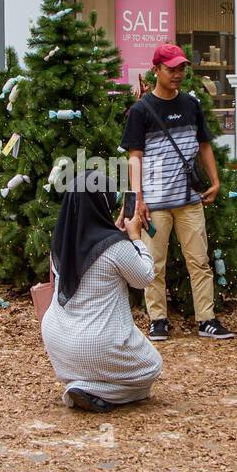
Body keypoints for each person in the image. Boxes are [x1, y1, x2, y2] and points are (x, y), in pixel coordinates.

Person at [122, 43, 233, 342]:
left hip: (189, 200)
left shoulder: (191, 105)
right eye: (171, 68)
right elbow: (135, 157)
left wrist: (216, 180)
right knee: (153, 264)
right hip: (155, 203)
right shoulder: (141, 111)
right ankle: (158, 319)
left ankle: (206, 319)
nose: (178, 74)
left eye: (182, 68)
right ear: (156, 69)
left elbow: (204, 145)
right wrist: (139, 199)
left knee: (199, 260)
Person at [41, 171, 161, 412]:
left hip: (58, 340)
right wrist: (135, 238)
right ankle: (97, 390)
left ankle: (80, 384)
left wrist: (116, 233)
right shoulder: (117, 247)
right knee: (151, 369)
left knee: (93, 365)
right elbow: (144, 277)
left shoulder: (61, 243)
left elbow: (93, 248)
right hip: (97, 342)